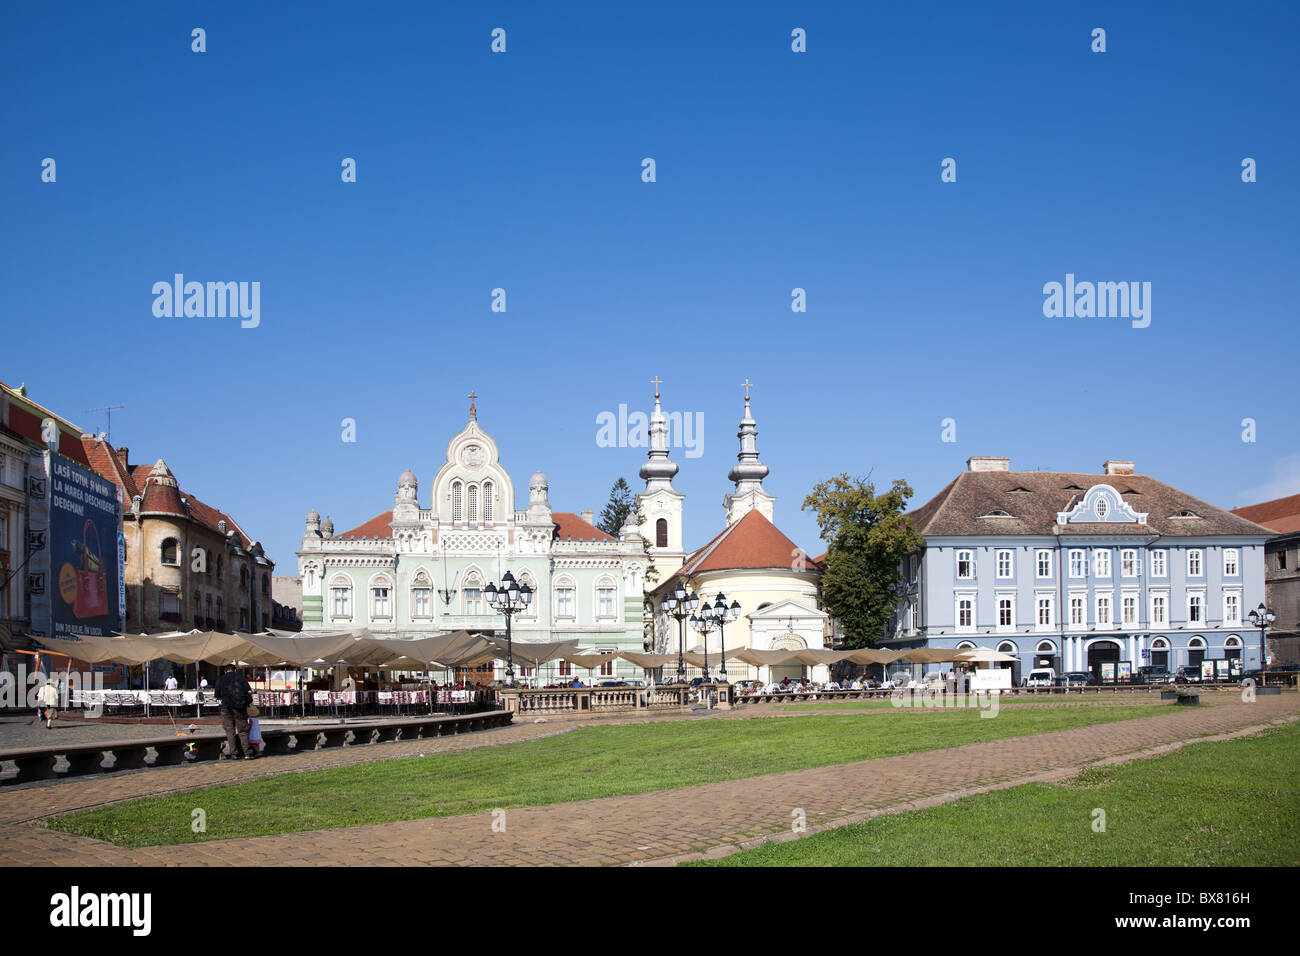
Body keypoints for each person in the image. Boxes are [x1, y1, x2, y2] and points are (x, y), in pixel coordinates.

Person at [215, 664, 256, 759]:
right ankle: (247, 753)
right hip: (240, 707)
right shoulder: (241, 678)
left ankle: (233, 753)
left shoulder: (221, 679)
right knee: (243, 730)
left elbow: (217, 695)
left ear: (225, 671)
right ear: (235, 670)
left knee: (230, 730)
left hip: (226, 707)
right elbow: (249, 692)